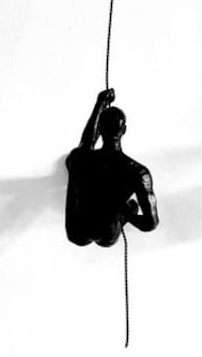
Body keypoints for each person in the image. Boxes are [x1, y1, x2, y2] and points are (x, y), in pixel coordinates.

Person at [65, 89, 158, 247]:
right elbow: (150, 224)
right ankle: (126, 212)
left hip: (76, 231)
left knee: (75, 161)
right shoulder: (138, 172)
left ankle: (115, 208)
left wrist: (100, 103)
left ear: (99, 129)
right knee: (129, 206)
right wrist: (124, 210)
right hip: (107, 235)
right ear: (124, 130)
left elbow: (86, 142)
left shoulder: (80, 157)